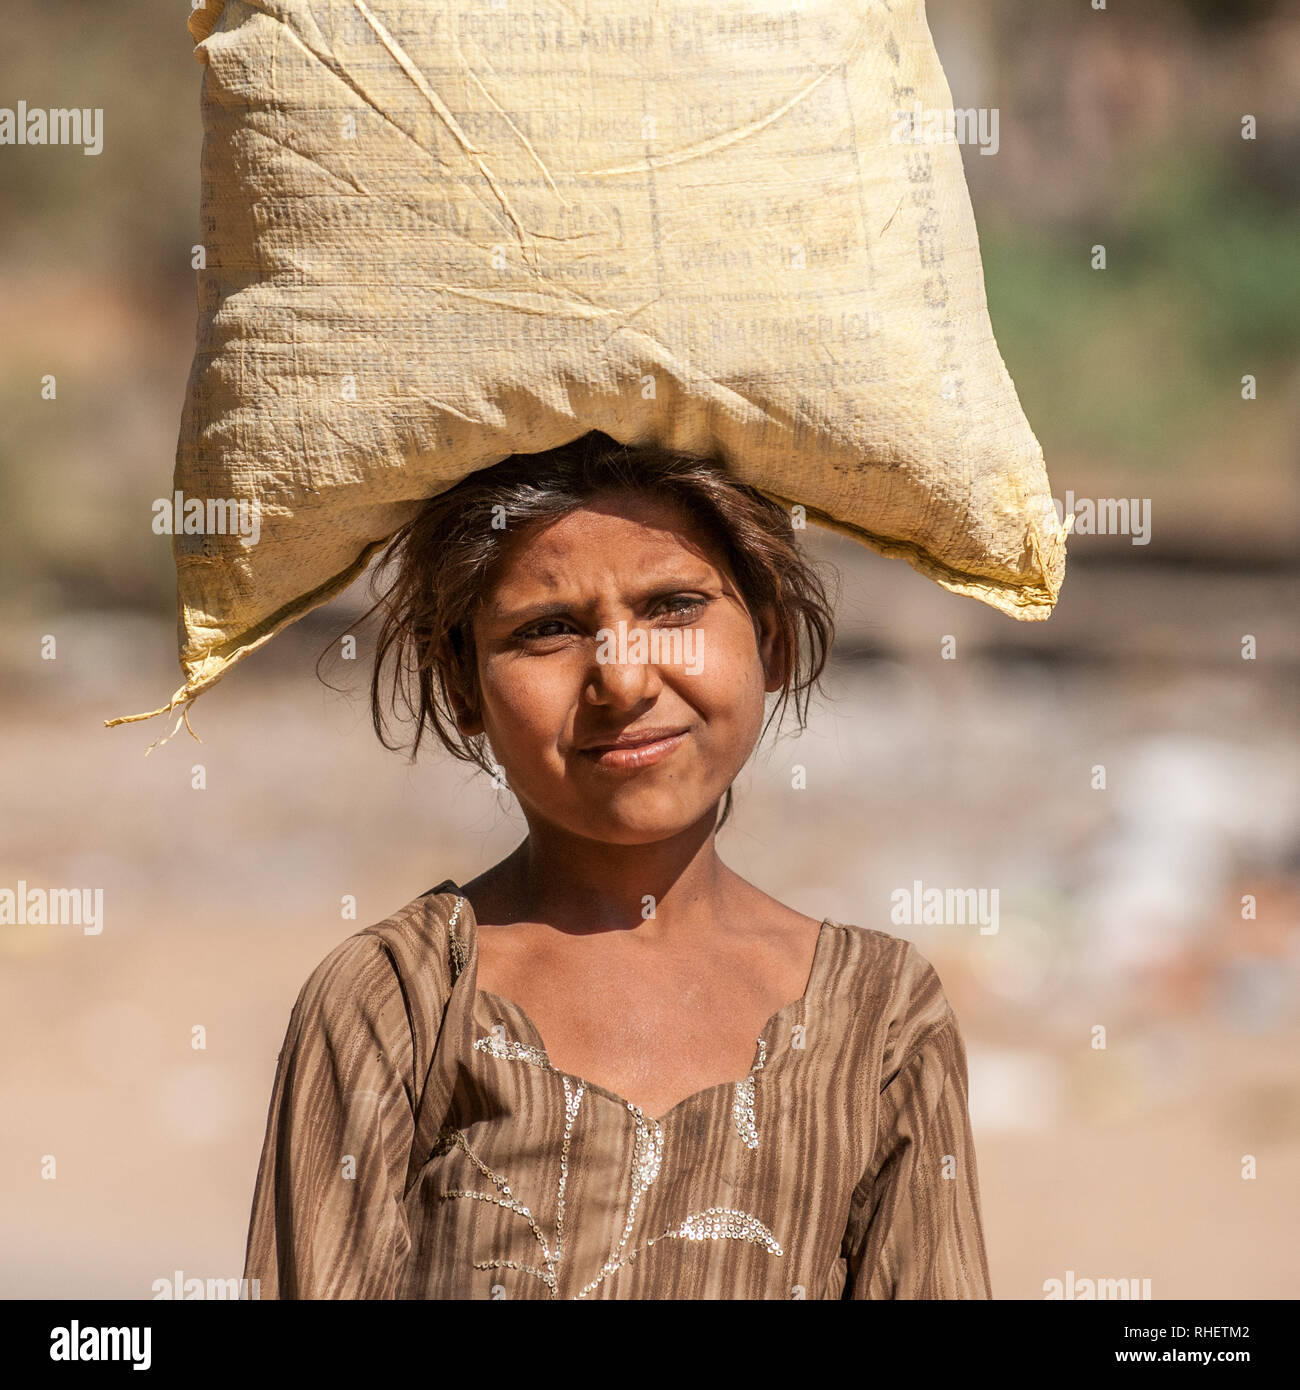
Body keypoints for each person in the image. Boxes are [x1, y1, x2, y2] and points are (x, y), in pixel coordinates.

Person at [243, 430, 991, 1299]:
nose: (625, 682)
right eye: (548, 629)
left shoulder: (882, 1019)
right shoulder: (399, 1001)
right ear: (461, 686)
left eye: (673, 606)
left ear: (773, 640)